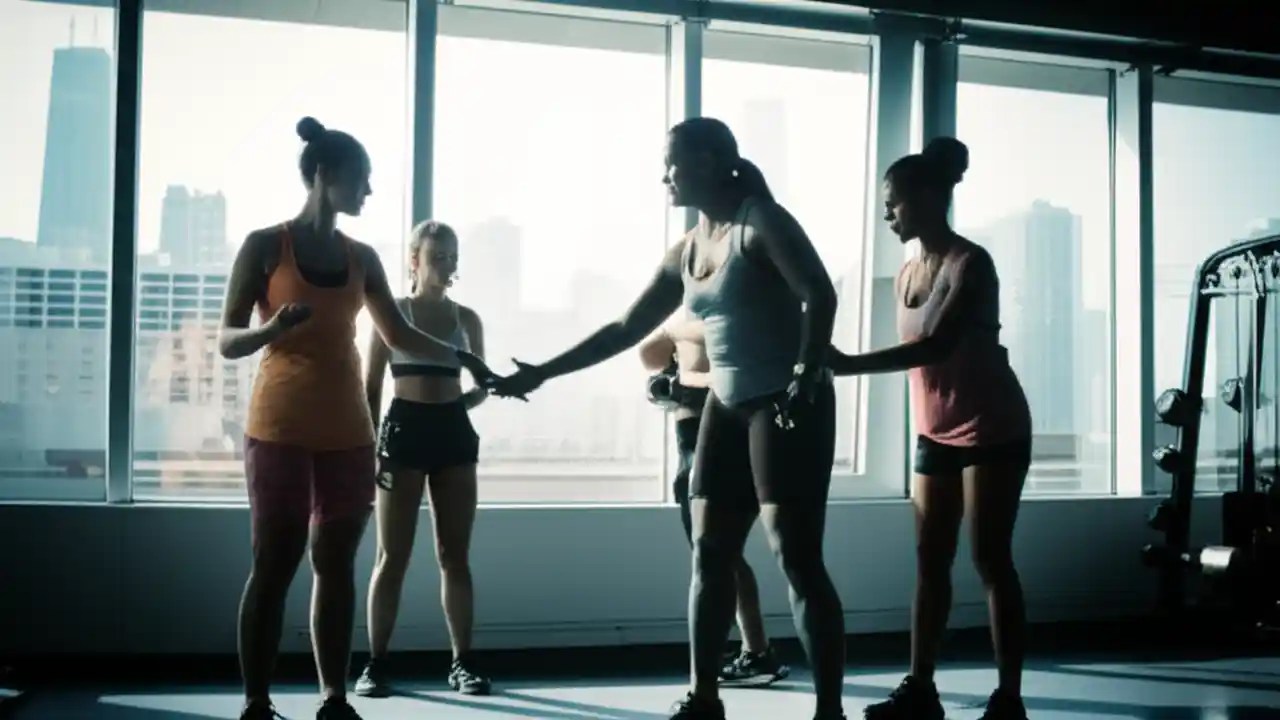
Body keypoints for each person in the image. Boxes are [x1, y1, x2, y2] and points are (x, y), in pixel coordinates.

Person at [490, 117, 846, 720]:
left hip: (783, 408)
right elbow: (627, 328)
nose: (664, 175)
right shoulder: (687, 248)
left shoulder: (760, 223)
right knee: (709, 552)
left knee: (796, 558)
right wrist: (542, 372)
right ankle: (705, 698)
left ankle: (829, 711)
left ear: (711, 161)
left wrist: (806, 377)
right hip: (725, 408)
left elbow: (819, 293)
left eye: (672, 163)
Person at [219, 117, 496, 720]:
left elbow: (399, 332)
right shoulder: (265, 245)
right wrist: (272, 329)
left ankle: (335, 697)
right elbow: (227, 340)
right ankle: (257, 702)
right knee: (274, 561)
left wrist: (468, 359)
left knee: (337, 563)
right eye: (362, 180)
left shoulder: (362, 256)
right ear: (325, 175)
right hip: (280, 424)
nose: (369, 191)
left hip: (348, 428)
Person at [827, 137, 1032, 720]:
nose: (887, 214)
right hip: (935, 431)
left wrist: (847, 364)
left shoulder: (971, 262)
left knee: (990, 559)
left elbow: (935, 345)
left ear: (921, 198)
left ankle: (1009, 699)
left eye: (893, 204)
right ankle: (921, 689)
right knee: (929, 561)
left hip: (992, 427)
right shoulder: (906, 273)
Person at [355, 221, 492, 698]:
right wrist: (370, 447)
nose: (448, 265)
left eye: (453, 256)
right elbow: (370, 387)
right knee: (391, 556)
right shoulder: (393, 316)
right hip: (403, 433)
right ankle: (375, 663)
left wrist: (458, 409)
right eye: (439, 256)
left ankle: (462, 662)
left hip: (452, 435)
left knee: (455, 556)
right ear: (414, 259)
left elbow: (481, 386)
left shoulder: (467, 318)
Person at [638, 310, 789, 688]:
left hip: (713, 439)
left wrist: (675, 335)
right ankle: (756, 651)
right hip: (695, 438)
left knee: (718, 555)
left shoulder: (720, 317)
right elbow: (650, 356)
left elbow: (660, 351)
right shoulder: (703, 318)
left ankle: (756, 652)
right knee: (721, 555)